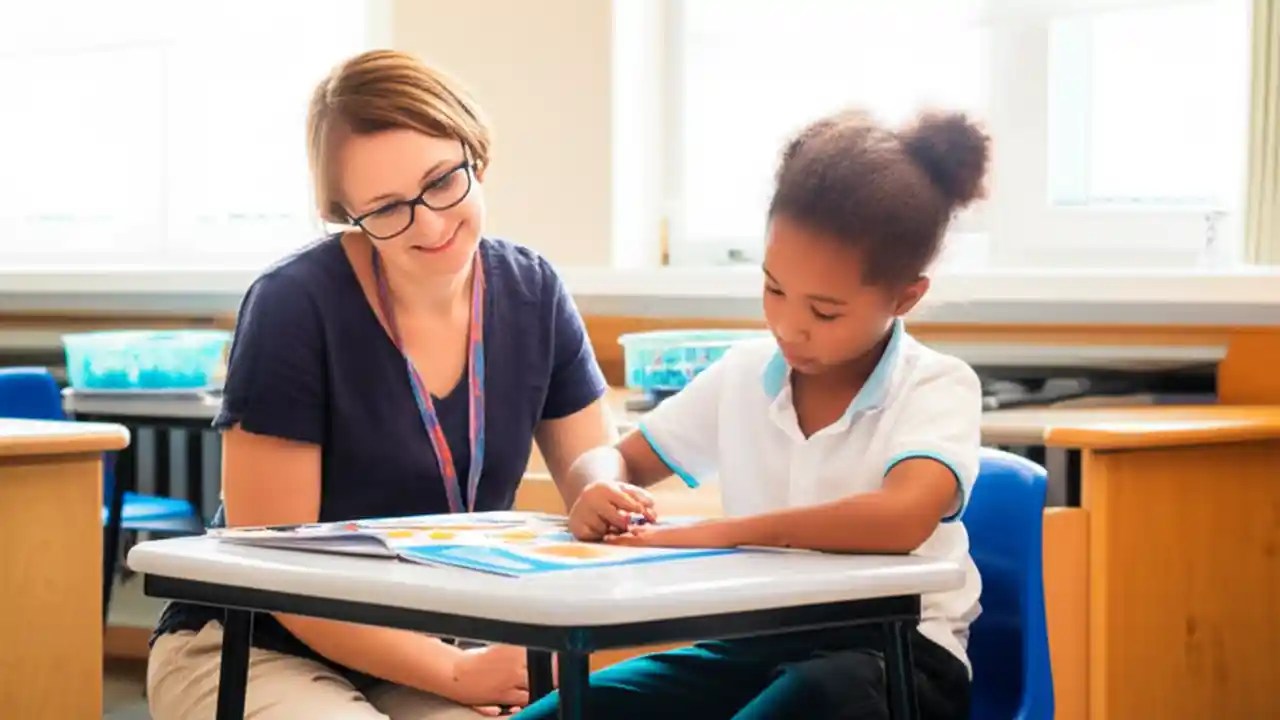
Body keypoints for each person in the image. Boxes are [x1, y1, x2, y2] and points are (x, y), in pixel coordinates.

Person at [146, 49, 616, 719]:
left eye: (442, 181)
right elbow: (271, 571)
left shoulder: (532, 292)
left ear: (473, 153)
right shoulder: (294, 306)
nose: (428, 223)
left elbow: (595, 480)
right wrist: (456, 672)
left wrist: (606, 493)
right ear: (348, 213)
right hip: (256, 644)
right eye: (388, 208)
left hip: (429, 649)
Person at [517, 109, 990, 720]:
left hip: (893, 662)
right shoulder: (743, 374)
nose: (789, 326)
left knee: (815, 696)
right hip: (754, 646)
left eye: (824, 312)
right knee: (573, 710)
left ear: (905, 298)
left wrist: (716, 535)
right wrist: (596, 485)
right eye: (773, 289)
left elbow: (900, 519)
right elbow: (614, 458)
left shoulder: (936, 386)